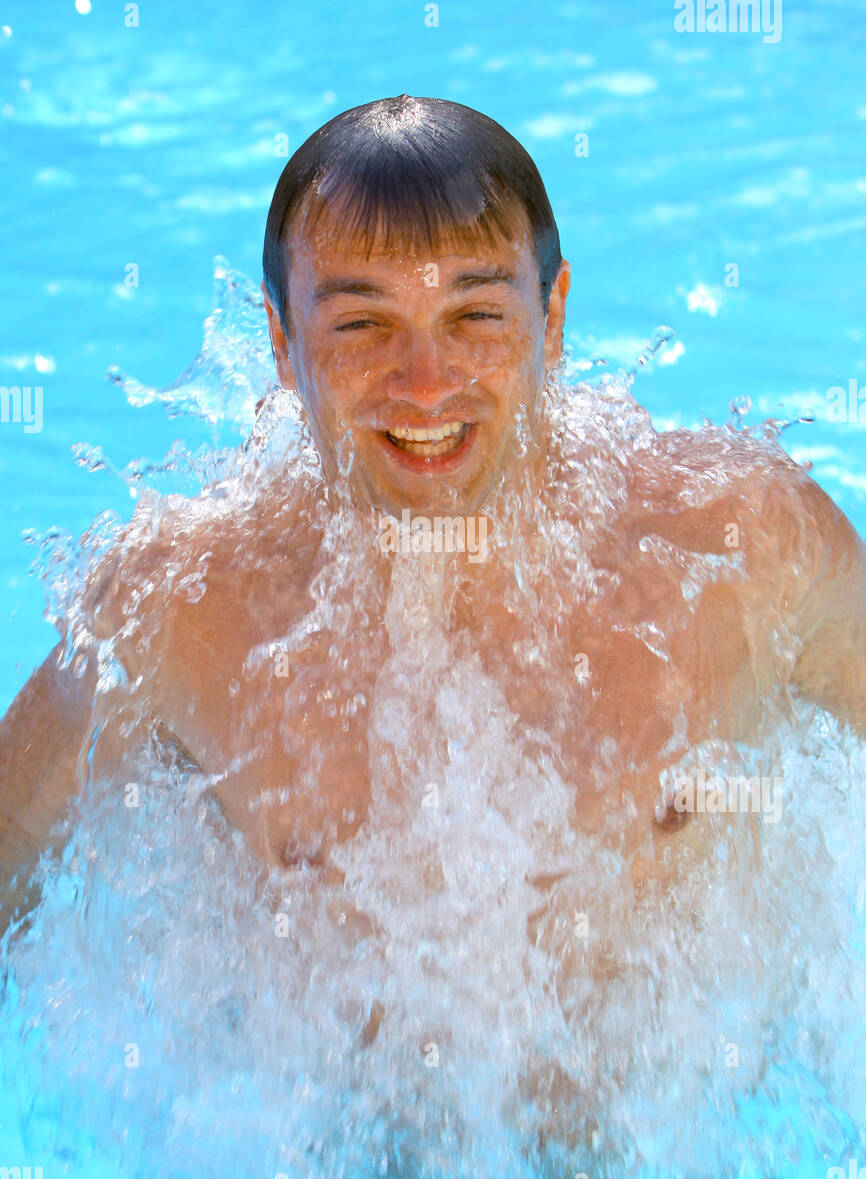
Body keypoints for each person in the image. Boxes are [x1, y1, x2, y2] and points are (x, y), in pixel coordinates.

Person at [1, 93, 865, 937]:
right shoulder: (176, 606)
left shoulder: (744, 544)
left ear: (552, 315)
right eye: (362, 325)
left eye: (476, 315)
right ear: (281, 342)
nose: (424, 383)